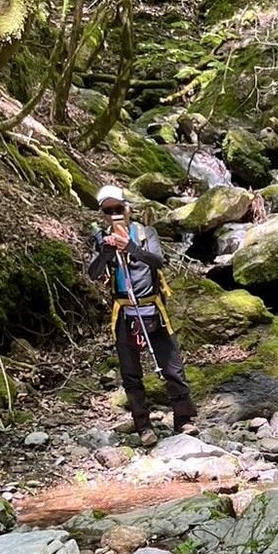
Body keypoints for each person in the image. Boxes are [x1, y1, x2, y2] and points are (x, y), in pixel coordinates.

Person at [87, 183, 197, 446]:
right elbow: (93, 273)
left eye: (118, 208)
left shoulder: (146, 233)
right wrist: (106, 252)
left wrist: (131, 248)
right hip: (125, 312)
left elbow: (158, 261)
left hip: (153, 309)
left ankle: (184, 419)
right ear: (103, 215)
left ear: (127, 208)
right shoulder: (102, 239)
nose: (114, 214)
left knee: (172, 367)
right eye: (108, 211)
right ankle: (144, 427)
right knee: (130, 373)